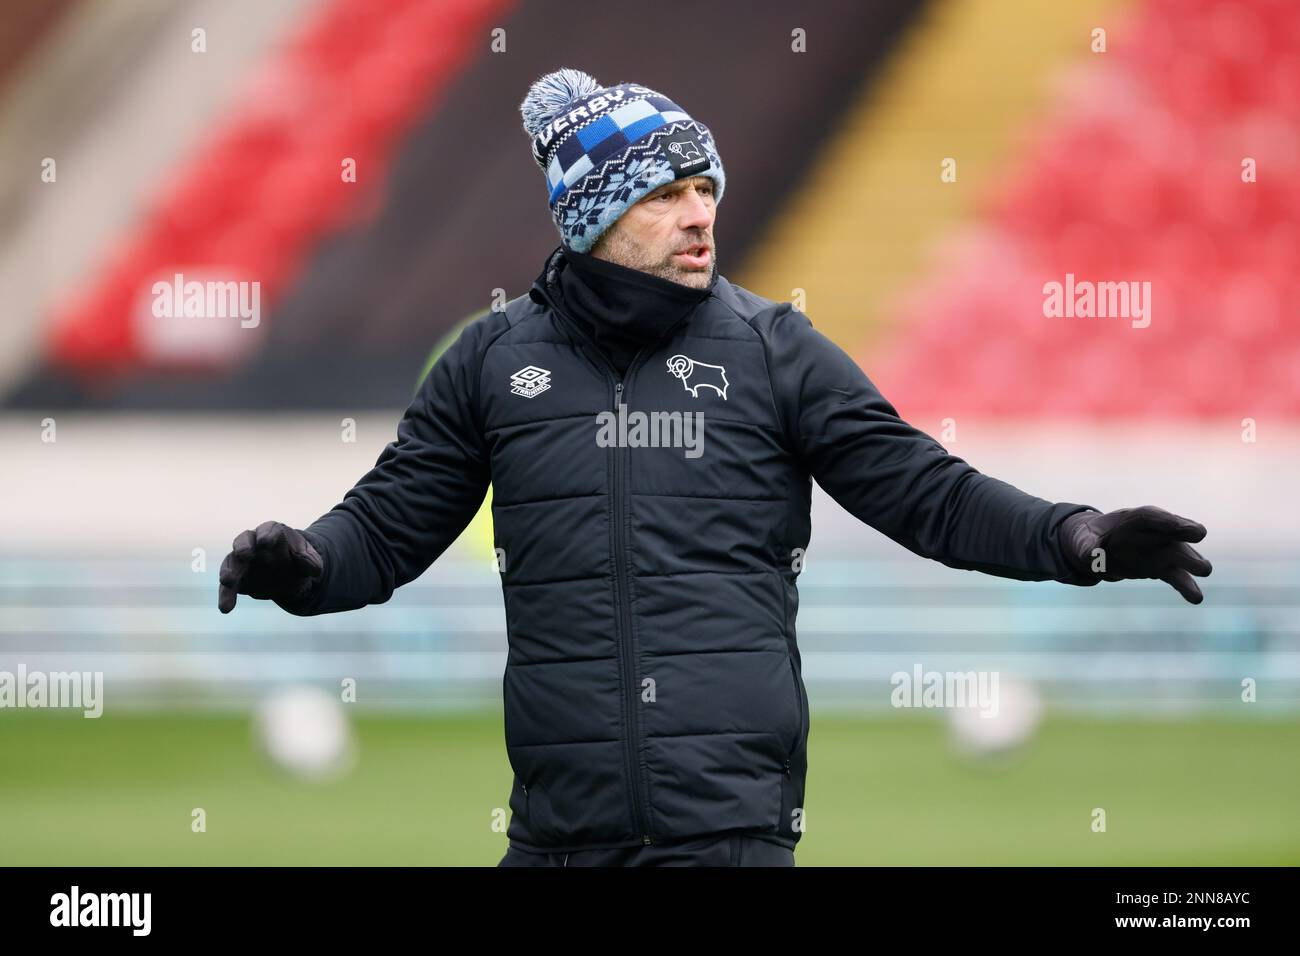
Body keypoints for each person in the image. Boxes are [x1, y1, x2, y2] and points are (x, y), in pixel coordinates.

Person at [216, 68, 1212, 868]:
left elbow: (928, 494)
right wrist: (302, 564)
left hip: (727, 829)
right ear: (594, 214)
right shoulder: (491, 360)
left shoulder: (776, 349)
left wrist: (1075, 537)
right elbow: (385, 530)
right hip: (557, 832)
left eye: (705, 189)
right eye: (664, 192)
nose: (699, 213)